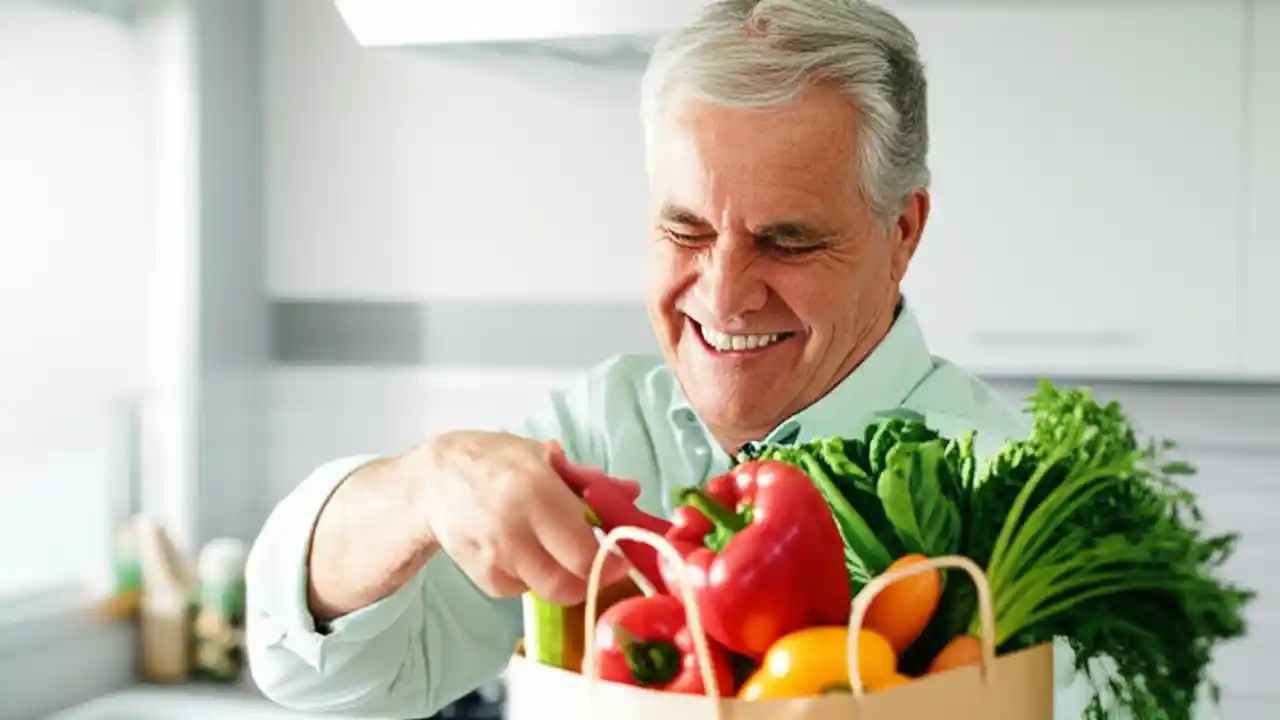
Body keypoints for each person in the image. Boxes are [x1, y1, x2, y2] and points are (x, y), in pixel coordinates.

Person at [246, 0, 1036, 716]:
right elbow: (316, 672)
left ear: (904, 233)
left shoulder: (1014, 499)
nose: (724, 297)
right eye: (686, 230)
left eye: (787, 240)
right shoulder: (600, 428)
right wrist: (422, 484)